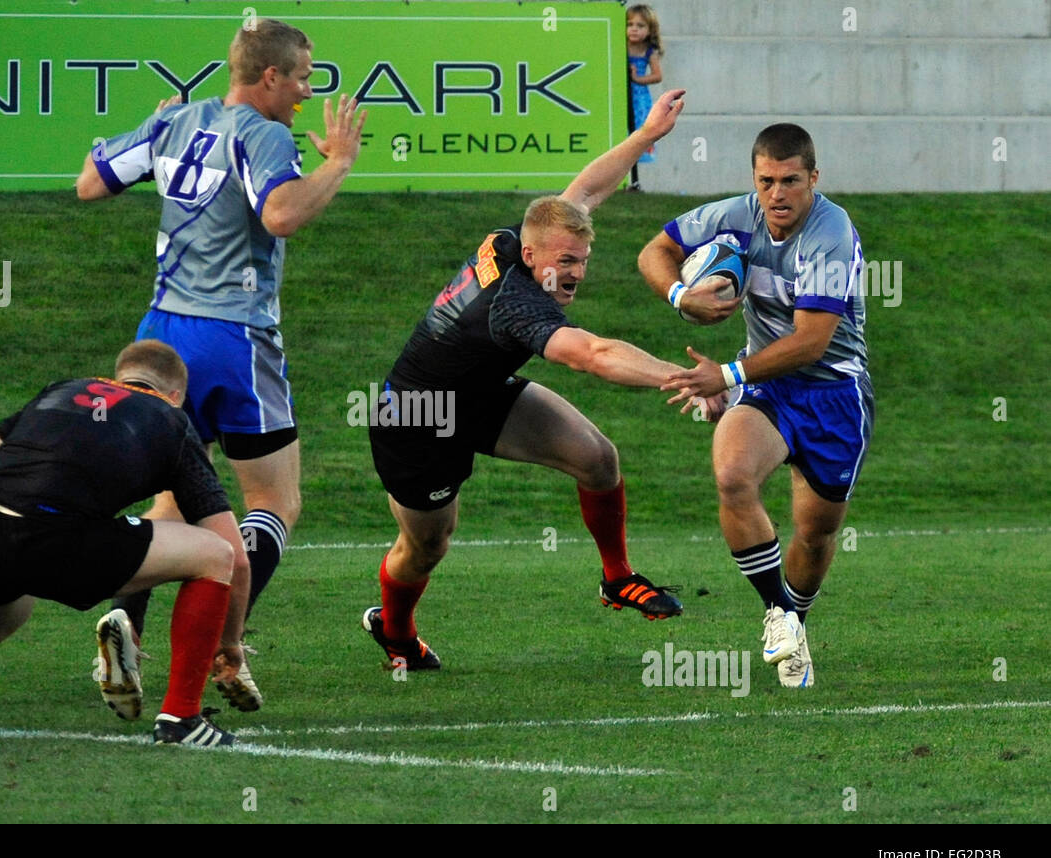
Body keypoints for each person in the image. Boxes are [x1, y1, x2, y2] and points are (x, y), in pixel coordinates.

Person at [363, 88, 720, 672]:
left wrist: (647, 135)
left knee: (597, 459)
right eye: (566, 263)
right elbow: (594, 355)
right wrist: (686, 377)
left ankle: (616, 578)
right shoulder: (517, 305)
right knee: (426, 546)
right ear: (532, 256)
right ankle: (395, 632)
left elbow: (583, 193)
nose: (575, 273)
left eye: (581, 260)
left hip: (475, 395)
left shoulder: (517, 239)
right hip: (416, 420)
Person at [74, 18, 367, 713]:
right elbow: (281, 216)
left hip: (160, 336)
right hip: (233, 339)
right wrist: (339, 164)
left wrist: (152, 130)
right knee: (275, 501)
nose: (304, 92)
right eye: (299, 77)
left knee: (174, 498)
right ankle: (219, 646)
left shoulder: (177, 122)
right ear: (267, 76)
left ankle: (126, 621)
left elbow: (89, 183)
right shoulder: (264, 135)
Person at [0, 341, 245, 747]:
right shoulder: (173, 421)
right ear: (176, 396)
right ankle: (182, 719)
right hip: (56, 535)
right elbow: (236, 555)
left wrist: (0, 544)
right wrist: (229, 645)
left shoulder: (61, 389)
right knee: (214, 555)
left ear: (119, 375)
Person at [637, 123, 874, 688]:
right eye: (767, 180)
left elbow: (812, 342)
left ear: (813, 179)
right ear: (755, 179)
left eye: (791, 180)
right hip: (767, 387)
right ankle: (779, 615)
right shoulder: (735, 215)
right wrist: (679, 295)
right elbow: (656, 250)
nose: (777, 194)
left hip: (835, 393)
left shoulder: (831, 234)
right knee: (732, 474)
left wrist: (725, 374)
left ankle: (795, 619)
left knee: (815, 533)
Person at [625, 4, 664, 189]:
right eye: (630, 24)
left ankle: (634, 180)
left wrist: (637, 78)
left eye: (640, 26)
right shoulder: (619, 45)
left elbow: (657, 75)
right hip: (621, 96)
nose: (633, 29)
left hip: (638, 97)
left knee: (639, 133)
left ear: (650, 30)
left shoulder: (649, 50)